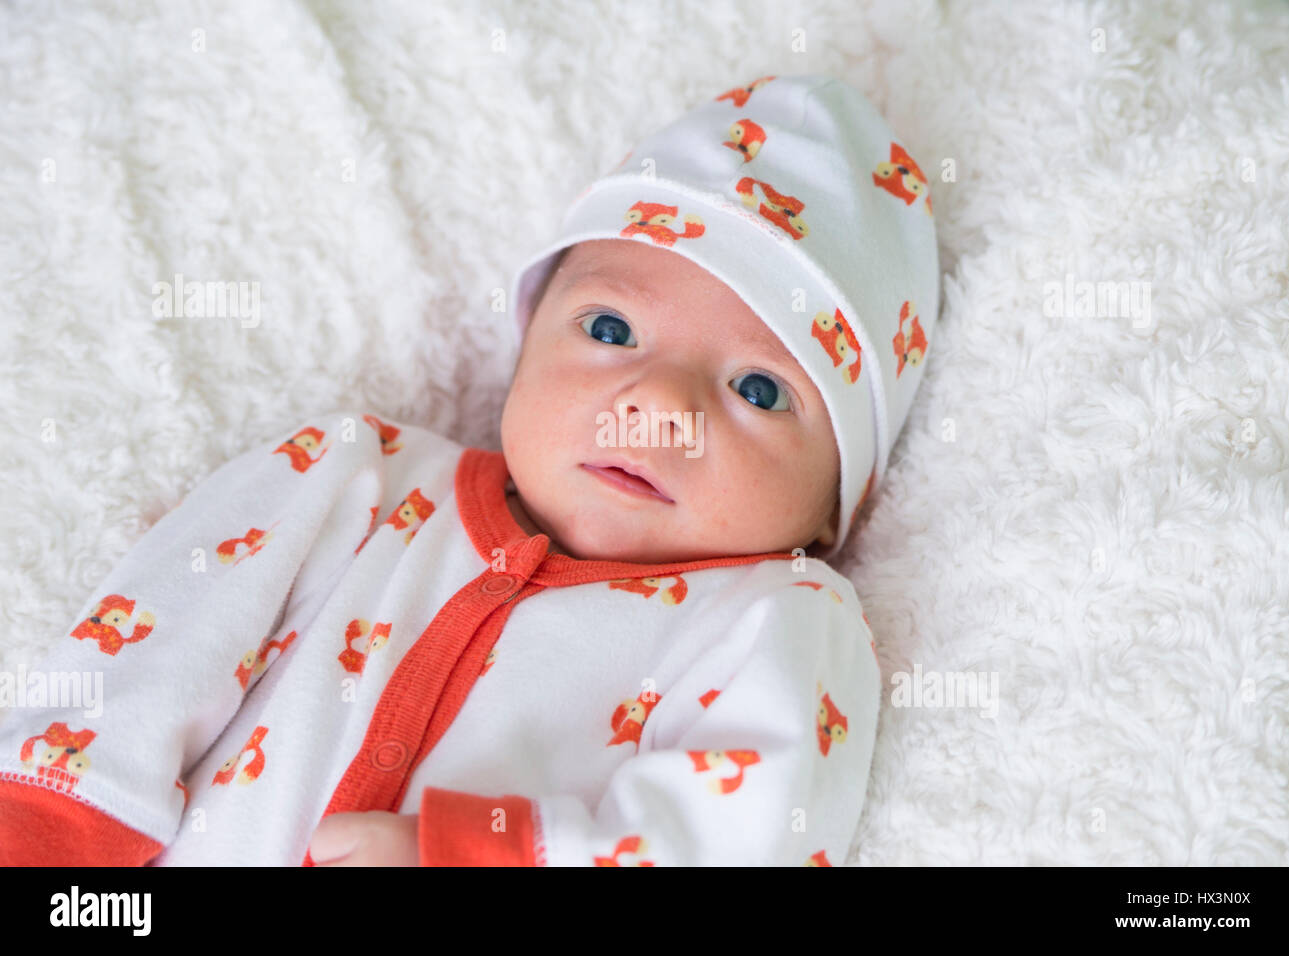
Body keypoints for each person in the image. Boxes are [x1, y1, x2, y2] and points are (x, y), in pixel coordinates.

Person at [0, 73, 939, 866]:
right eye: (611, 330)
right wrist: (54, 829)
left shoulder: (779, 623)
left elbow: (741, 831)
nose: (660, 406)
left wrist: (476, 849)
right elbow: (167, 630)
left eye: (761, 390)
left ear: (834, 505)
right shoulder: (360, 476)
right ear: (525, 348)